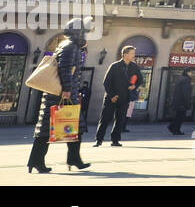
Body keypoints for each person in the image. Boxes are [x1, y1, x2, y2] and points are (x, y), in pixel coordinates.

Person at [28, 19, 91, 174]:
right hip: (61, 94)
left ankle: (68, 159)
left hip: (60, 94)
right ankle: (40, 160)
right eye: (83, 31)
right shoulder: (71, 46)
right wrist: (67, 89)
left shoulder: (68, 44)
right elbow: (65, 68)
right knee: (51, 129)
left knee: (70, 127)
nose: (85, 34)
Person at [94, 45, 141, 147]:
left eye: (134, 53)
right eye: (132, 53)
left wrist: (134, 86)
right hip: (111, 97)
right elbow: (106, 82)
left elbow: (140, 79)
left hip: (125, 98)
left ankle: (115, 140)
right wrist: (112, 95)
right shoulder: (114, 66)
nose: (134, 55)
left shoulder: (134, 67)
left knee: (120, 120)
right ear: (125, 54)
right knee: (105, 119)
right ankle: (99, 140)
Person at [167, 70, 192, 136]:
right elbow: (186, 93)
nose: (191, 73)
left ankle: (172, 127)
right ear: (187, 73)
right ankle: (176, 130)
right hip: (182, 102)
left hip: (177, 101)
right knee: (181, 117)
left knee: (178, 116)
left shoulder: (180, 79)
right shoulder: (186, 80)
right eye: (190, 72)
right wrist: (187, 102)